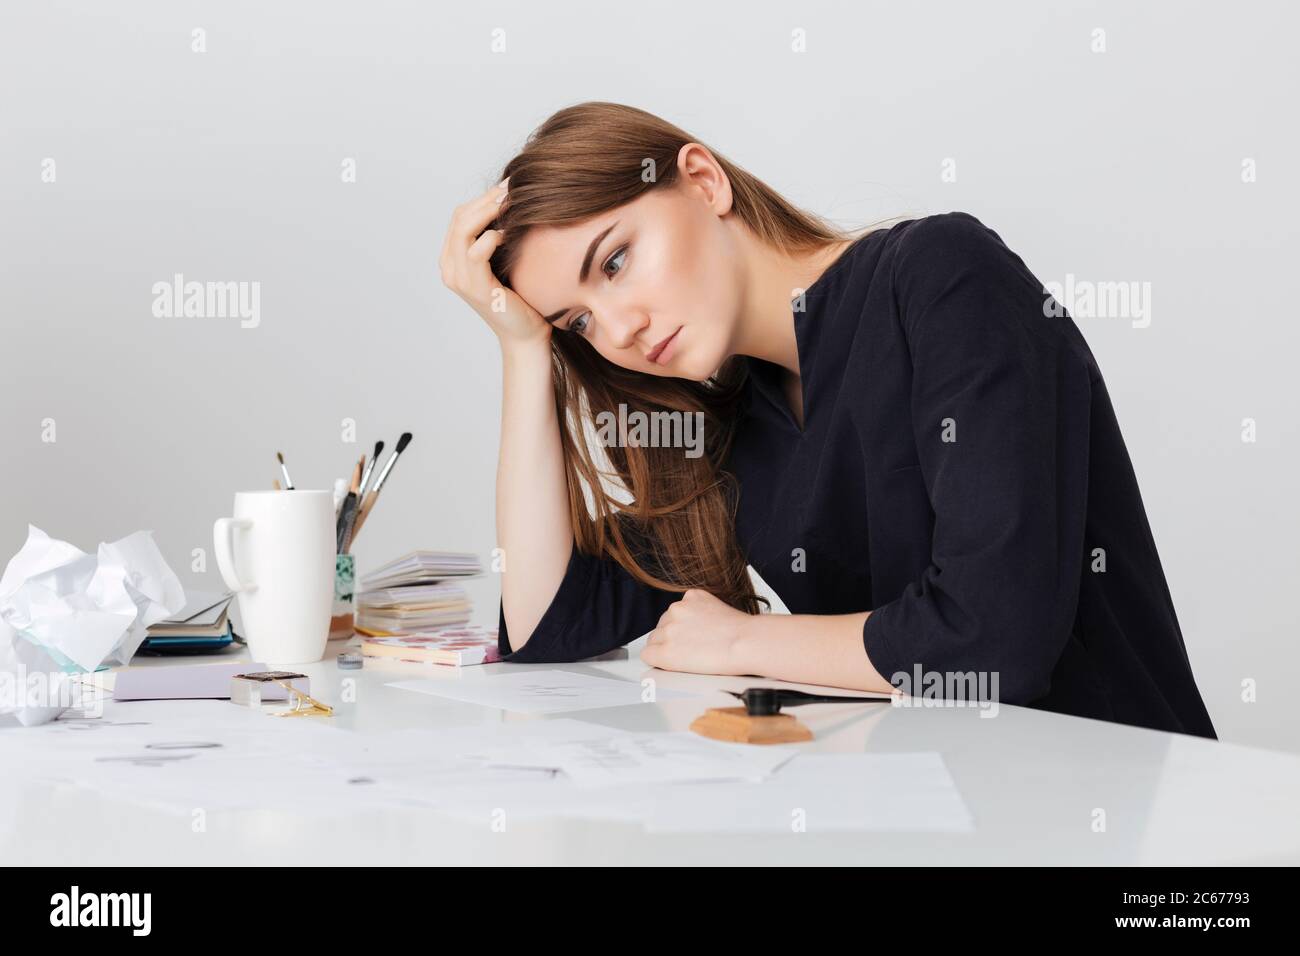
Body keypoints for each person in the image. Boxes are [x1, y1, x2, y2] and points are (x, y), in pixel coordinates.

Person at [439, 101, 1216, 739]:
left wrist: (743, 640)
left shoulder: (943, 277)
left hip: (1116, 809)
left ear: (703, 181)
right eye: (578, 323)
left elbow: (995, 642)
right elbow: (545, 627)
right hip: (934, 820)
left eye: (614, 262)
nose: (618, 331)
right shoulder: (727, 424)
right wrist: (523, 345)